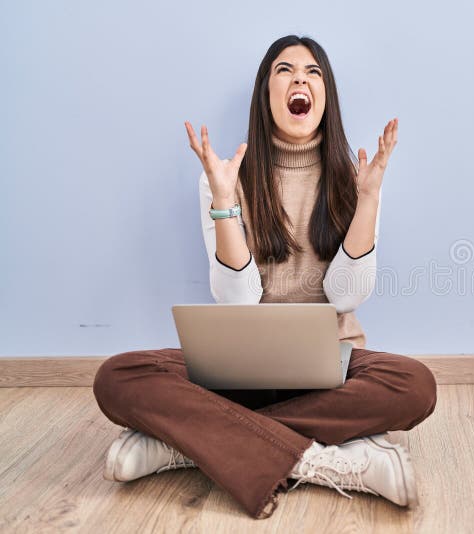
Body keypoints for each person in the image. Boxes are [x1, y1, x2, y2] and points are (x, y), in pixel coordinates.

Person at [92, 34, 438, 520]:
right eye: (285, 70)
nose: (300, 78)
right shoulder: (227, 177)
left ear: (325, 97)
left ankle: (187, 448)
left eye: (313, 72)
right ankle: (329, 462)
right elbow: (237, 300)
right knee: (118, 377)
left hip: (332, 371)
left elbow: (345, 296)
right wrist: (223, 202)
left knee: (414, 385)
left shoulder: (355, 176)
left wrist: (369, 202)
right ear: (265, 94)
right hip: (240, 370)